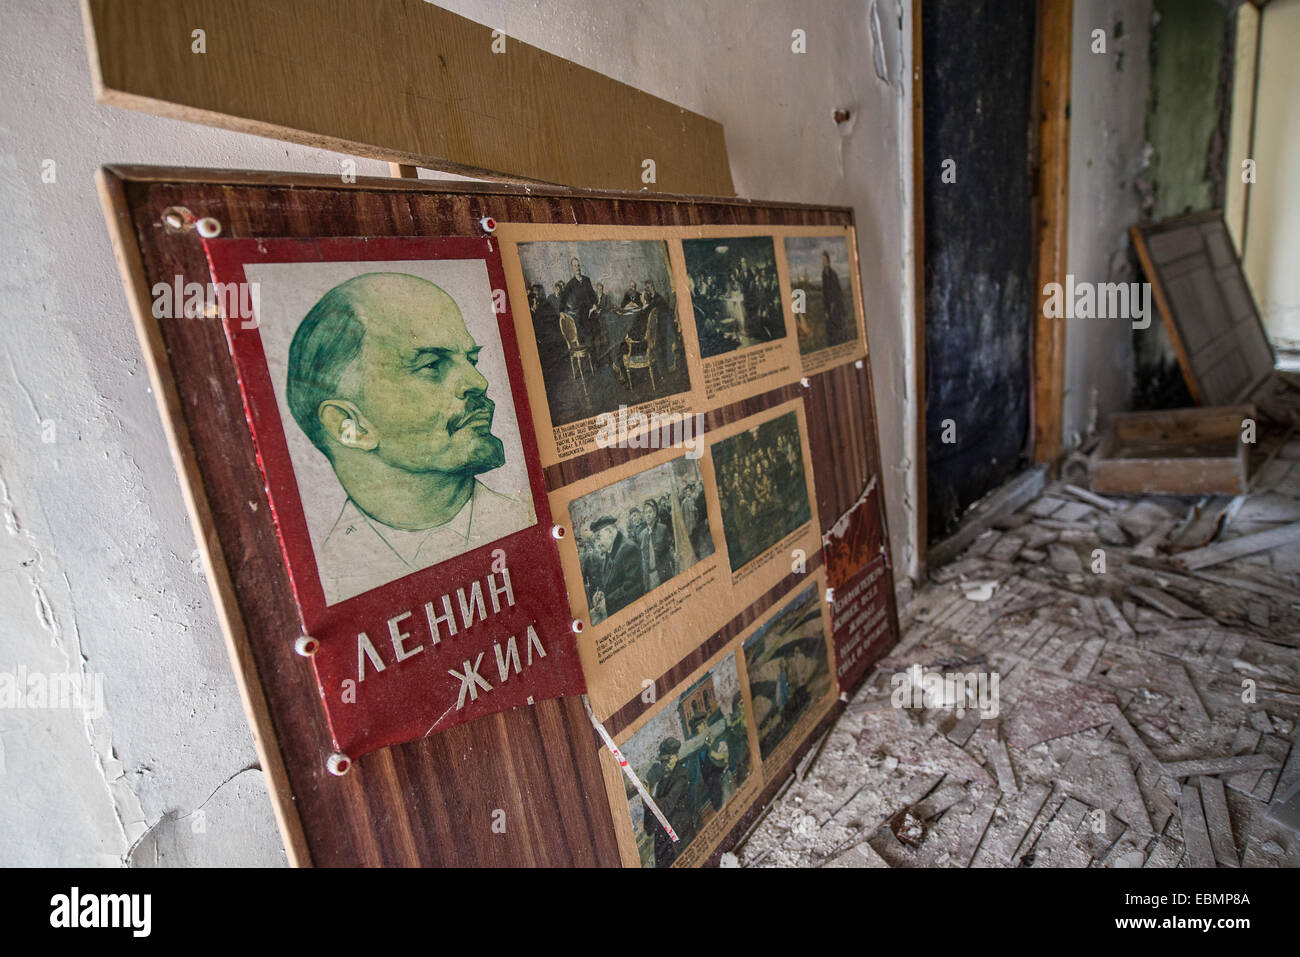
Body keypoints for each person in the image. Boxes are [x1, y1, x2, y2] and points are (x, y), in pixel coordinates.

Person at [286, 273, 533, 603]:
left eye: (471, 359)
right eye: (432, 364)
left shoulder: (523, 522)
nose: (478, 381)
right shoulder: (337, 576)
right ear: (350, 425)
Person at [646, 738, 693, 867]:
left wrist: (647, 797)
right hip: (666, 840)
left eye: (668, 760)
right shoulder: (661, 783)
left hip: (680, 835)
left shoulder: (682, 776)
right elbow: (649, 827)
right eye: (663, 761)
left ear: (676, 757)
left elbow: (666, 807)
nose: (665, 764)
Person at [590, 514, 645, 619]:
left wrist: (607, 602)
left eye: (598, 537)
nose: (597, 544)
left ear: (610, 532)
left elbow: (632, 588)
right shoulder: (610, 550)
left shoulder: (629, 549)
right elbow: (609, 581)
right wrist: (601, 593)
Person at [821, 249, 850, 345]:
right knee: (830, 329)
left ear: (828, 261)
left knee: (837, 327)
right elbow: (825, 292)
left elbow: (835, 292)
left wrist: (831, 309)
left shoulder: (833, 274)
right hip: (829, 306)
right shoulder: (823, 274)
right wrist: (826, 310)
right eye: (822, 261)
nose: (823, 262)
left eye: (825, 260)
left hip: (836, 305)